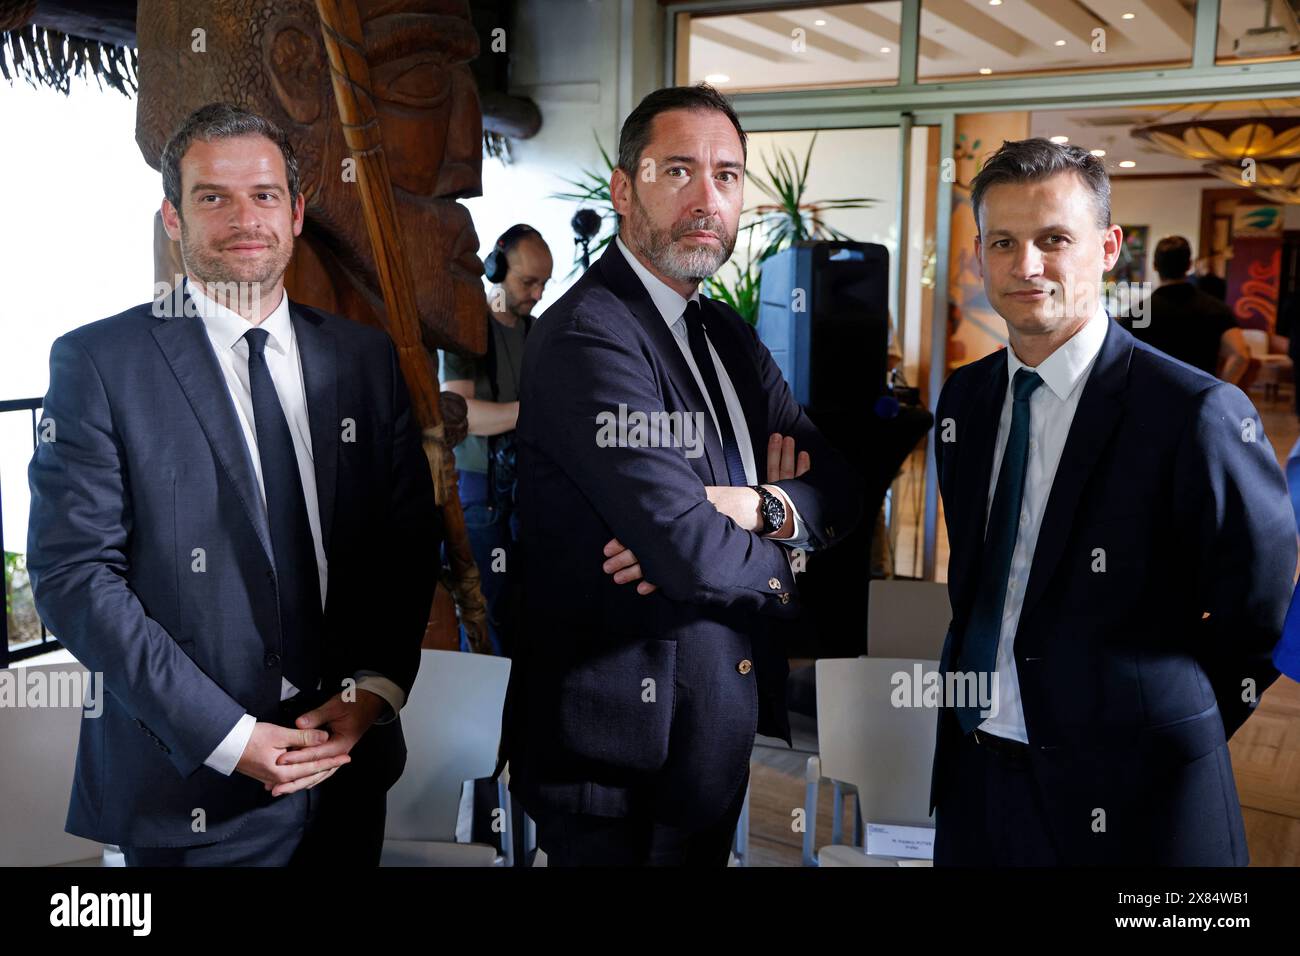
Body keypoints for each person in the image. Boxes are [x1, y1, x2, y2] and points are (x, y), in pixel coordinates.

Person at [26, 103, 440, 866]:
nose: (243, 218)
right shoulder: (100, 364)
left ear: (297, 210)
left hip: (345, 773)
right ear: (173, 218)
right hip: (190, 788)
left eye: (264, 194)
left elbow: (405, 543)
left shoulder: (362, 360)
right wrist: (230, 737)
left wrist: (371, 692)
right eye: (212, 196)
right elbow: (74, 576)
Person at [496, 84, 862, 866]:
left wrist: (753, 505)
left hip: (707, 737)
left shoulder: (724, 331)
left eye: (727, 175)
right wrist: (779, 553)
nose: (707, 197)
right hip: (613, 758)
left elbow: (837, 482)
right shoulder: (589, 334)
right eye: (678, 171)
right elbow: (685, 549)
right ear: (624, 189)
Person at [930, 138, 1295, 866]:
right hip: (978, 773)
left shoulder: (1196, 413)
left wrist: (1161, 725)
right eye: (1003, 242)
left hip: (1139, 794)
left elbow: (1257, 612)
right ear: (979, 256)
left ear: (1108, 247)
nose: (1026, 265)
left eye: (1053, 239)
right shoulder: (965, 400)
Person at [440, 224, 552, 656]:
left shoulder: (539, 334)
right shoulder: (465, 330)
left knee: (525, 611)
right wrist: (533, 414)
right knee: (485, 617)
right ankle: (490, 720)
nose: (538, 294)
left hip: (529, 496)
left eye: (544, 283)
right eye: (528, 282)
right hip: (479, 495)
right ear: (496, 269)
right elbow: (460, 414)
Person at [1124, 235, 1249, 384]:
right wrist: (1219, 393)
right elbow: (1240, 355)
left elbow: (1120, 359)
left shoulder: (1138, 313)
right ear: (1189, 265)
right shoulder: (1216, 310)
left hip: (1150, 400)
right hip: (1198, 400)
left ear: (1154, 266)